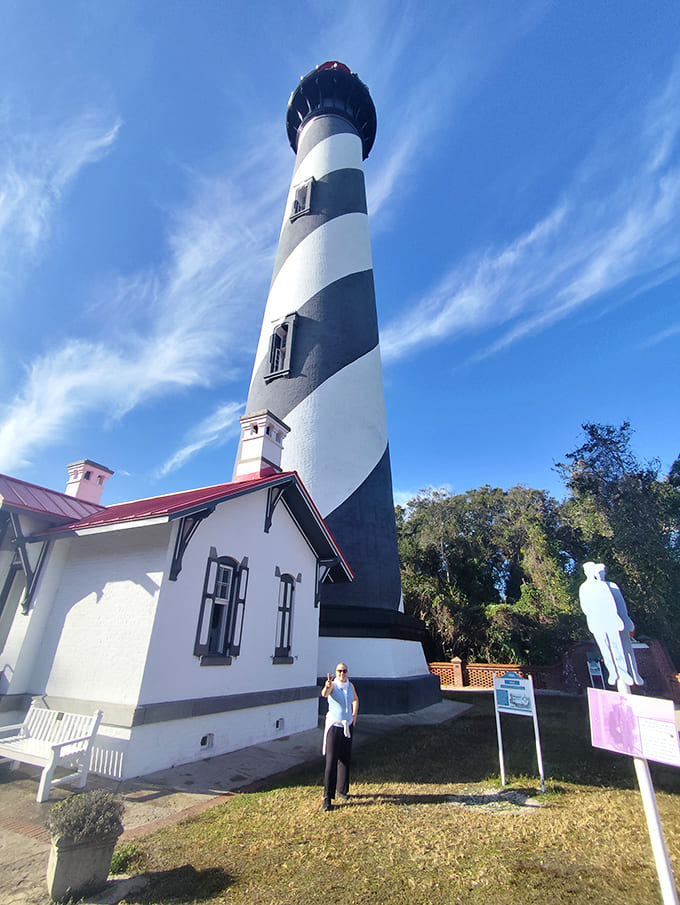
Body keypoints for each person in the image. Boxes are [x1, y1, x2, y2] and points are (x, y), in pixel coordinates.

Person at [320, 662, 358, 811]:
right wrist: (327, 686)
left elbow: (355, 699)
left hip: (347, 726)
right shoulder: (333, 685)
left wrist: (354, 715)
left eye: (344, 671)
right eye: (339, 671)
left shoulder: (350, 685)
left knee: (345, 759)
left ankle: (342, 790)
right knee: (331, 761)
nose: (342, 674)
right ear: (335, 672)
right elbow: (325, 693)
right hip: (334, 727)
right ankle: (328, 798)